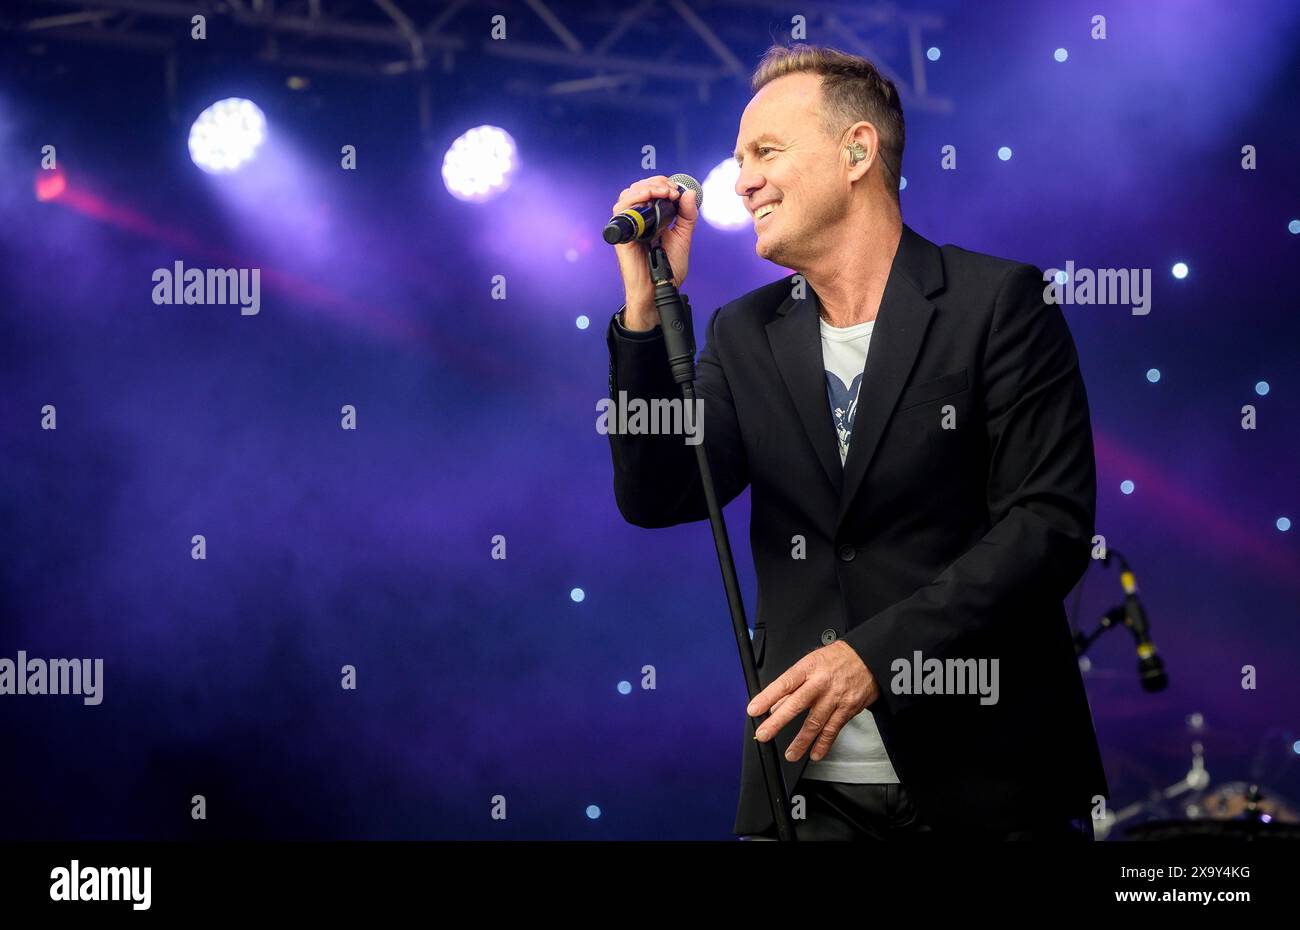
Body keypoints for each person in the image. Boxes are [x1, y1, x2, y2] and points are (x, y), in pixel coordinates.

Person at [604, 44, 1108, 840]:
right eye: (739, 161)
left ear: (857, 151)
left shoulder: (997, 302)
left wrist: (876, 656)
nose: (742, 181)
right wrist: (644, 307)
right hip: (805, 795)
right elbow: (658, 494)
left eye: (765, 152)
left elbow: (1047, 526)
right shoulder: (745, 334)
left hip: (986, 784)